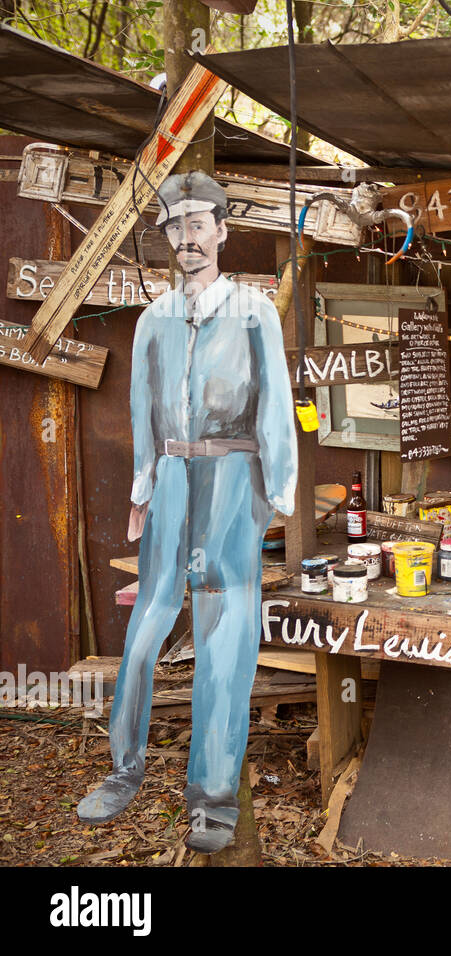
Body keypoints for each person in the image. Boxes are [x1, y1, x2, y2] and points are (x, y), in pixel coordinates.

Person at [76, 171, 297, 854]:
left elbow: (277, 403)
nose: (187, 238)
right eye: (175, 227)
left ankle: (213, 798)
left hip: (233, 476)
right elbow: (142, 408)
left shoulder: (254, 311)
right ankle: (125, 769)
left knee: (225, 631)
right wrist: (142, 488)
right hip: (172, 476)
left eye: (198, 224)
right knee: (147, 624)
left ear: (222, 231)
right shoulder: (155, 319)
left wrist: (279, 493)